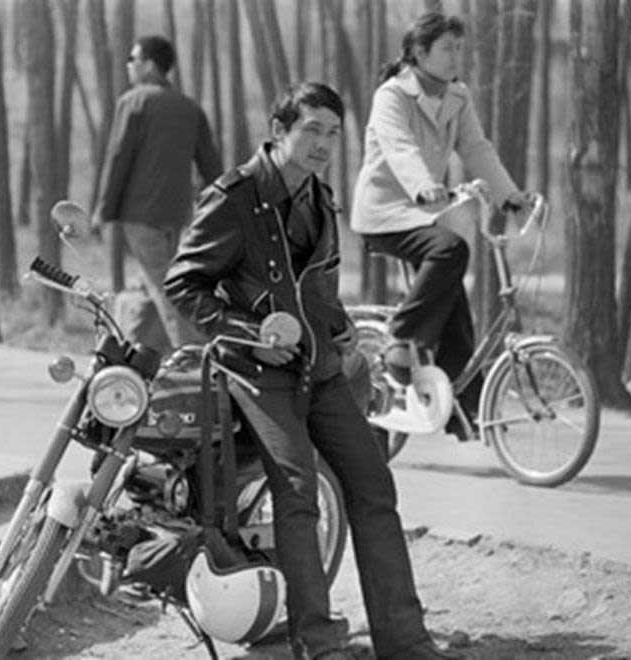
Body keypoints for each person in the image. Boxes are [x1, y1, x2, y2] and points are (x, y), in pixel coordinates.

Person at [165, 83, 459, 660]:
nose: (323, 143)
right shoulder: (234, 197)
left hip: (319, 368)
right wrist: (251, 334)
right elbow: (184, 283)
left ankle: (405, 640)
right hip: (257, 372)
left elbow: (315, 288)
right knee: (298, 491)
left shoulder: (320, 197)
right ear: (279, 130)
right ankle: (318, 645)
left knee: (374, 486)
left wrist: (340, 326)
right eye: (311, 130)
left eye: (332, 133)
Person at [349, 12, 534, 438]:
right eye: (448, 48)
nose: (456, 57)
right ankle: (402, 339)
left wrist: (509, 195)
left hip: (423, 212)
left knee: (455, 310)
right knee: (451, 249)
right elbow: (400, 148)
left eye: (460, 49)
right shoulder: (392, 95)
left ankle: (463, 409)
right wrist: (424, 187)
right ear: (419, 52)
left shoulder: (457, 96)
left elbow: (476, 148)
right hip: (384, 212)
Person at [94, 34, 223, 356]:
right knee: (148, 285)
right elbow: (210, 166)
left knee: (164, 284)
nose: (128, 65)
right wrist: (222, 205)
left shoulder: (134, 102)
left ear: (150, 66)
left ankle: (192, 351)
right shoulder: (190, 108)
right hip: (175, 213)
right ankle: (132, 353)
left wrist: (103, 210)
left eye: (133, 59)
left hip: (139, 213)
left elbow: (119, 158)